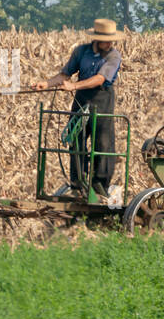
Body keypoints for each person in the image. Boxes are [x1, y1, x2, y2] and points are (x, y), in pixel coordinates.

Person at [31, 18, 124, 199]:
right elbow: (65, 74)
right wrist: (46, 83)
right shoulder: (81, 52)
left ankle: (99, 186)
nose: (110, 43)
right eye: (107, 40)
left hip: (102, 100)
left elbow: (100, 79)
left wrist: (74, 86)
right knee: (76, 140)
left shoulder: (114, 56)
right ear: (97, 39)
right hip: (82, 101)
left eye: (112, 40)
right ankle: (78, 184)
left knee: (103, 144)